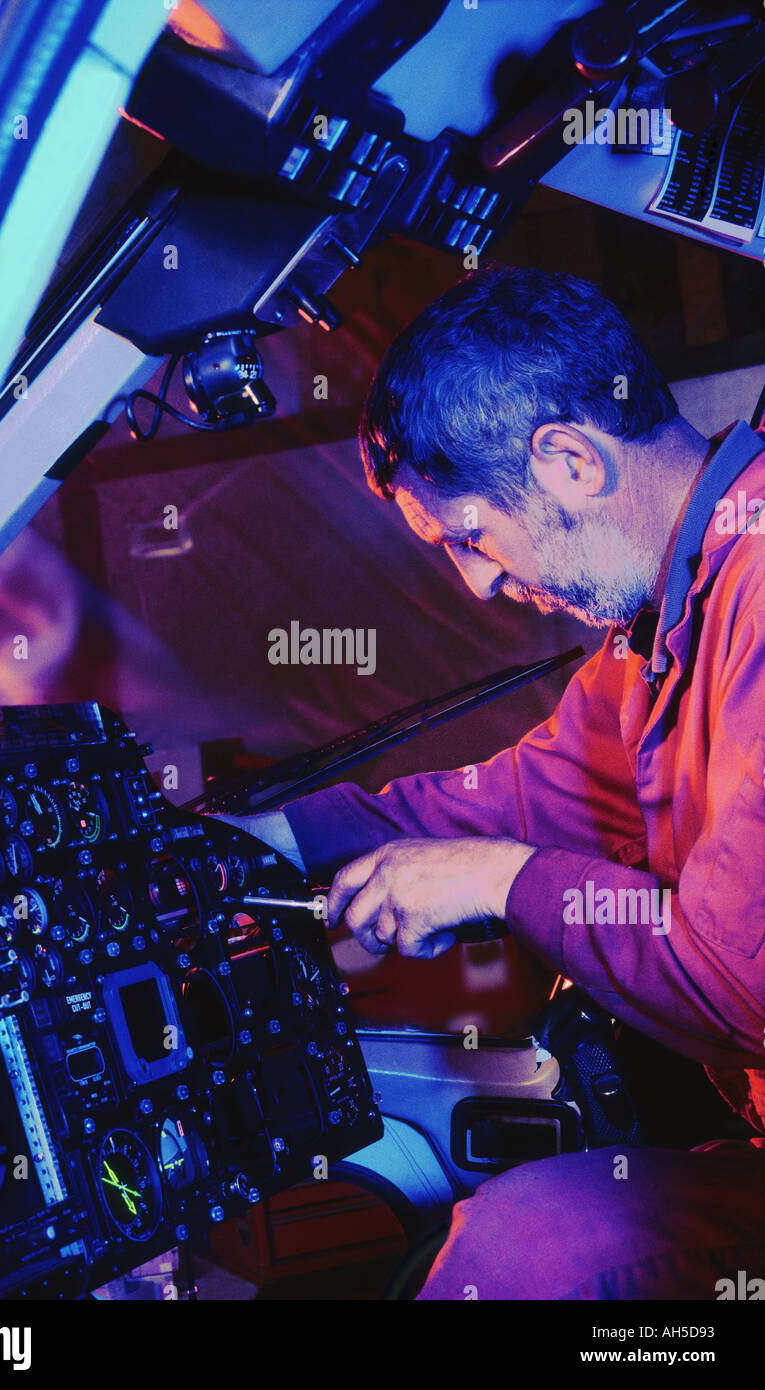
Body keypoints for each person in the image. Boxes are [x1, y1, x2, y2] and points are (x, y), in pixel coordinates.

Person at [218, 265, 765, 1299]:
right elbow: (513, 799)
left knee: (529, 1257)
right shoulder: (665, 624)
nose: (477, 580)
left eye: (471, 535)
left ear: (568, 459)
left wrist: (502, 881)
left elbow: (740, 989)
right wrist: (258, 844)